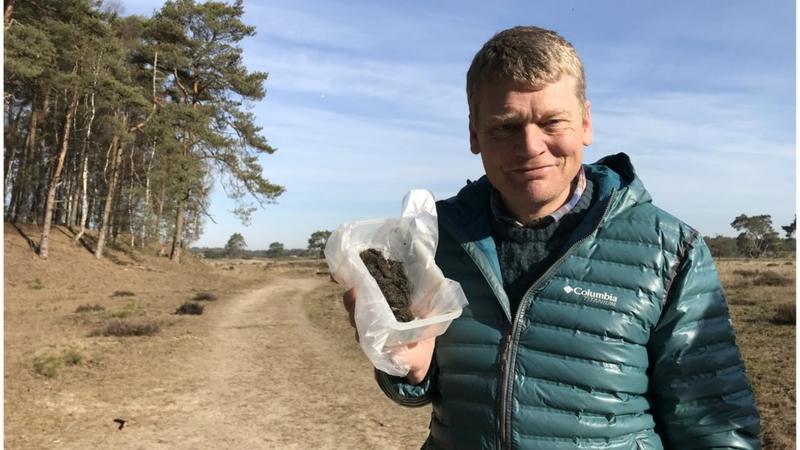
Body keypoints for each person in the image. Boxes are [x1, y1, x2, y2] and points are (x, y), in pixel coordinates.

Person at [341, 26, 760, 450]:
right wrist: (405, 369)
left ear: (586, 123)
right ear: (473, 133)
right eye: (505, 127)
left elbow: (716, 427)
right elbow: (428, 385)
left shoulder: (669, 249)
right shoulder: (433, 238)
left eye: (551, 122)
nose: (530, 146)